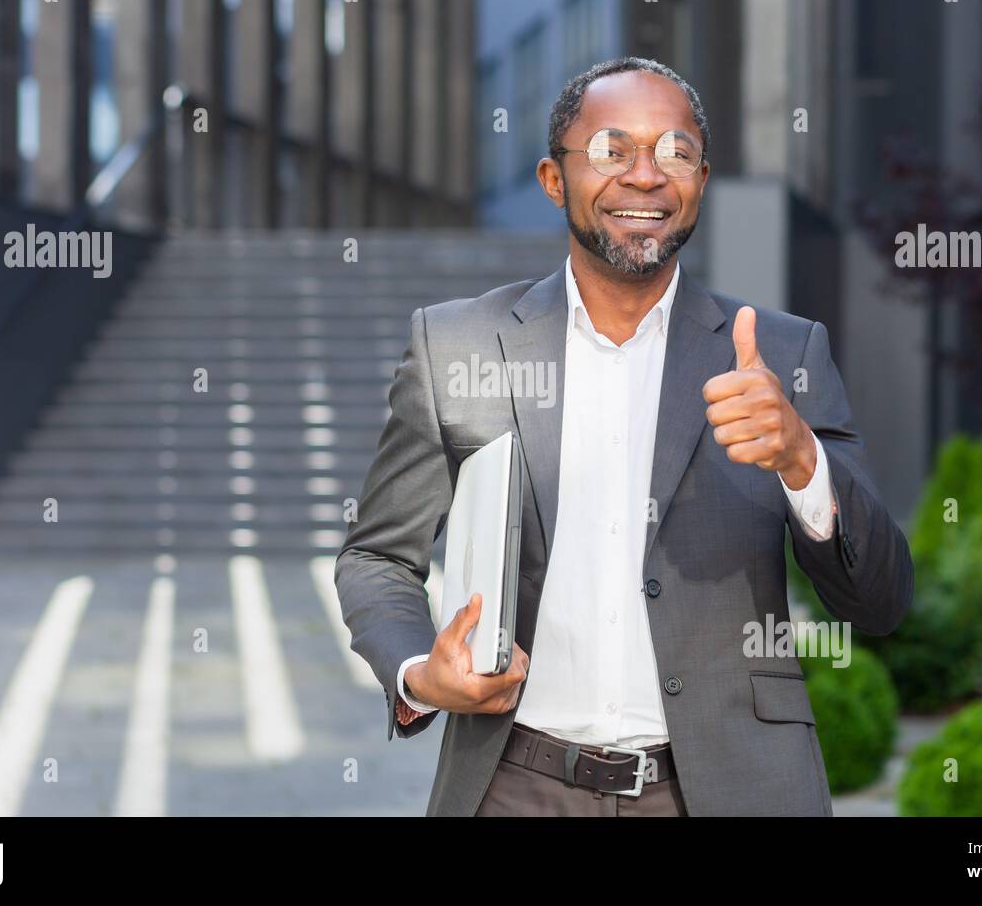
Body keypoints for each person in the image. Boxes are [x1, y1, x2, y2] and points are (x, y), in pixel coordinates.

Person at [334, 56, 914, 816]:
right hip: (515, 784)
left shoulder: (783, 355)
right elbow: (377, 553)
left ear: (702, 181)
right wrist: (418, 672)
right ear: (552, 178)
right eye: (612, 150)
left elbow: (880, 601)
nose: (645, 176)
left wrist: (803, 462)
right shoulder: (461, 347)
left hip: (728, 791)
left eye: (675, 152)